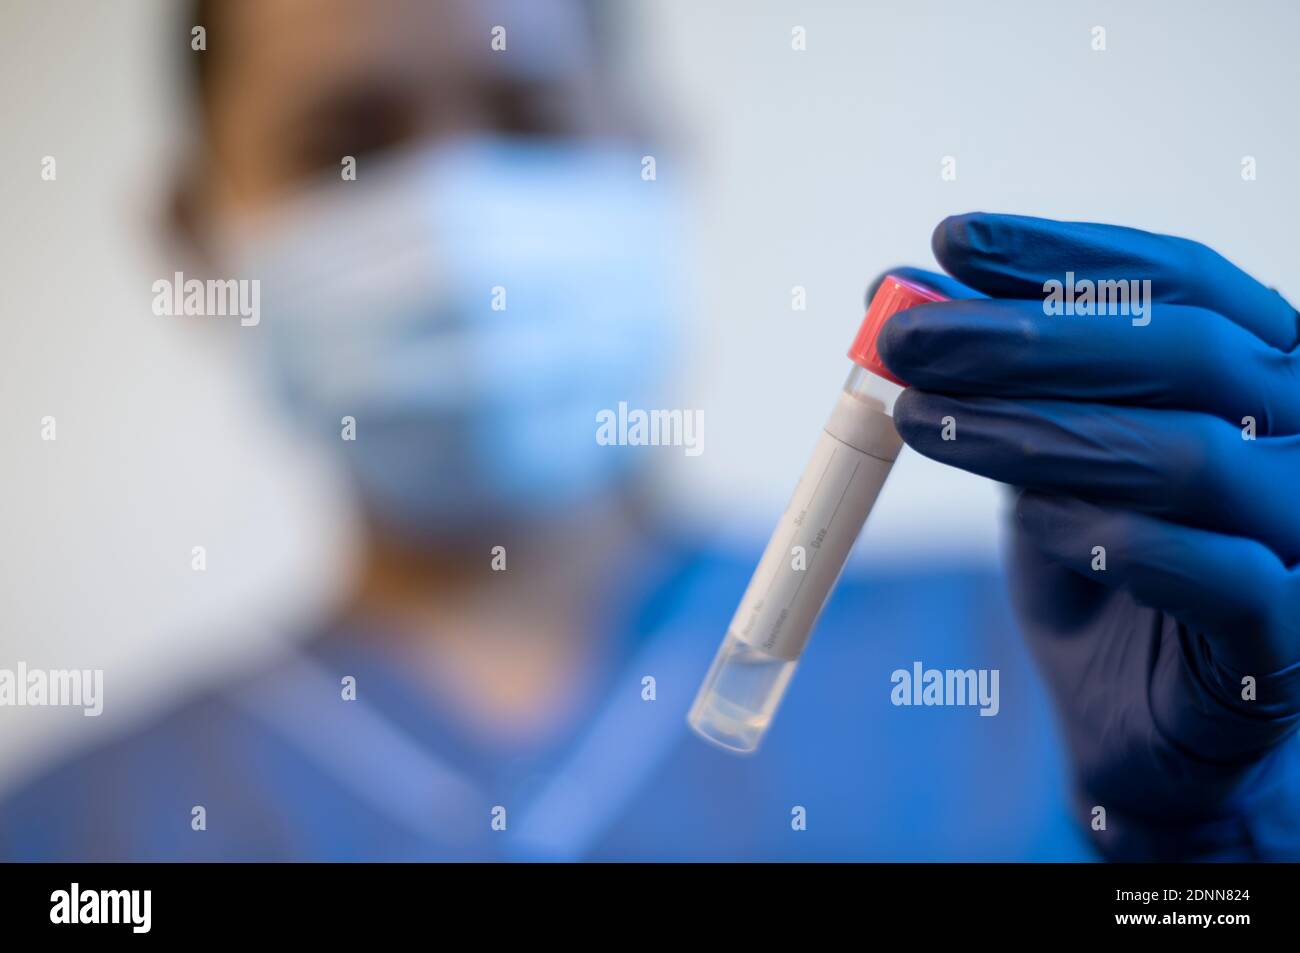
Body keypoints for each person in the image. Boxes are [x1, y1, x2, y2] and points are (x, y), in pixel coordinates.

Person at [1, 0, 1295, 862]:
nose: (459, 220)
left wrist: (1226, 848)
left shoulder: (1064, 654)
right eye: (349, 147)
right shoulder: (72, 833)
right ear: (191, 233)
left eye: (530, 124)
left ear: (653, 160)